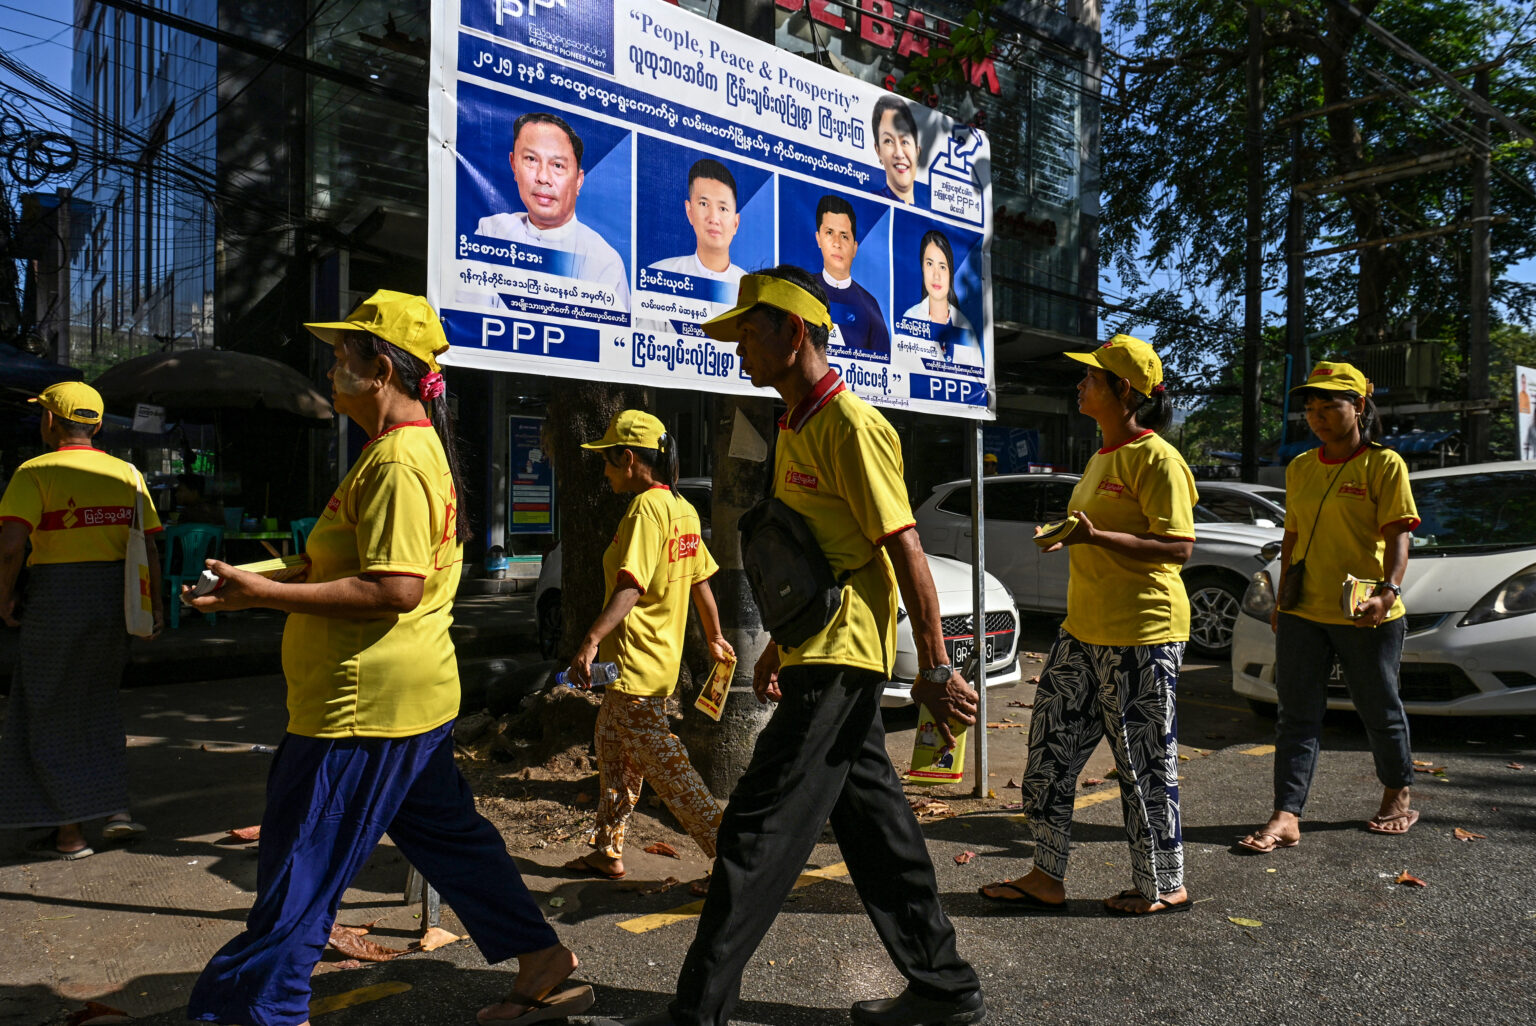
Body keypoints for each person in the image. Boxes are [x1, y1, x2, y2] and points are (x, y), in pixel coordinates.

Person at [184, 291, 592, 1026]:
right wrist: (255, 585)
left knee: (301, 872)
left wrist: (265, 596)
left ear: (382, 370)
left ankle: (261, 1011)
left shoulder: (400, 461)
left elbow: (394, 588)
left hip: (361, 711)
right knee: (451, 841)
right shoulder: (399, 451)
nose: (331, 369)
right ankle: (541, 960)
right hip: (403, 705)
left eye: (344, 356)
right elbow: (350, 565)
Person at [598, 268, 984, 1026]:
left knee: (755, 830)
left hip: (843, 660)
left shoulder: (850, 426)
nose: (738, 347)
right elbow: (815, 551)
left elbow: (903, 549)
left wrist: (937, 667)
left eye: (749, 332)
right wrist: (778, 645)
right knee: (876, 831)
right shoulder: (794, 424)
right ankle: (946, 987)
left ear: (794, 332)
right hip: (818, 651)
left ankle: (697, 1012)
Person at [979, 334, 1196, 916]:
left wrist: (1096, 536)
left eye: (1092, 378)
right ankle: (1045, 876)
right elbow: (1096, 530)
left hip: (1142, 633)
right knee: (1049, 750)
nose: (1080, 384)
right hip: (1083, 630)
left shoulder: (1158, 459)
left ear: (1124, 390)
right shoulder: (1101, 457)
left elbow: (1178, 547)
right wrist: (1072, 535)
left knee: (1142, 761)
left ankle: (1163, 884)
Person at [1238, 361, 1420, 854]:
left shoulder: (1383, 464)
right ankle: (1286, 814)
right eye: (1311, 408)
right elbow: (1291, 537)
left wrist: (1389, 590)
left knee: (1378, 707)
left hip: (1366, 613)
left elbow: (1398, 535)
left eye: (1329, 405)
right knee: (1295, 715)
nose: (1317, 415)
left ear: (1358, 406)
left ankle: (1397, 793)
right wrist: (1282, 600)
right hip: (1304, 611)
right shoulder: (1300, 466)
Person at [562, 409, 733, 898]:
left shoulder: (645, 510)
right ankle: (607, 849)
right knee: (612, 750)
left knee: (669, 770)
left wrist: (590, 640)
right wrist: (715, 635)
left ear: (629, 458)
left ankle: (731, 855)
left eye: (608, 461)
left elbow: (631, 586)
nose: (605, 471)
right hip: (650, 664)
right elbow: (700, 581)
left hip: (635, 666)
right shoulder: (682, 509)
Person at [0, 381, 164, 860]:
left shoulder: (35, 471)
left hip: (57, 598)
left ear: (51, 421)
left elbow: (11, 546)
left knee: (47, 707)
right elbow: (150, 546)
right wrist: (153, 608)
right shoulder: (128, 473)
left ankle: (69, 835)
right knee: (99, 701)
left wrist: (3, 597)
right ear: (96, 424)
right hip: (115, 599)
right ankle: (115, 811)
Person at [476, 111, 630, 311]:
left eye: (557, 165)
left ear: (578, 181)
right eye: (531, 159)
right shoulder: (492, 231)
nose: (543, 177)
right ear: (514, 165)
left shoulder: (604, 261)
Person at [646, 159, 746, 290]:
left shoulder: (750, 289)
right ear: (689, 211)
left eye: (723, 208)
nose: (714, 219)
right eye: (704, 204)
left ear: (735, 223)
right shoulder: (658, 276)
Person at [812, 195, 890, 358]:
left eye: (844, 236)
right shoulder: (803, 290)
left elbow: (884, 362)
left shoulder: (870, 305)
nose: (837, 243)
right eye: (829, 233)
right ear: (818, 239)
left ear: (855, 248)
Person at [899, 230, 979, 367]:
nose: (936, 275)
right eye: (929, 264)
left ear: (950, 272)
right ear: (922, 268)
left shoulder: (965, 327)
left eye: (942, 267)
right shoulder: (910, 319)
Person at [871, 95, 922, 205]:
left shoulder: (928, 211)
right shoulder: (870, 203)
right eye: (888, 141)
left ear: (917, 151)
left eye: (905, 142)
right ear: (878, 150)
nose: (899, 154)